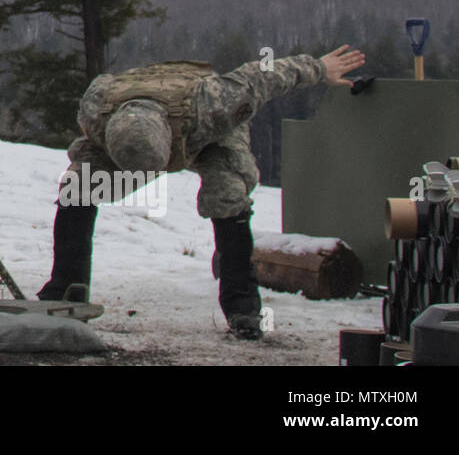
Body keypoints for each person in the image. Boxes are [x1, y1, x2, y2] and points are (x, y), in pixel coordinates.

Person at [36, 45, 366, 340]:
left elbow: (263, 75)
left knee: (227, 192)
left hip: (206, 131)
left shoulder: (213, 103)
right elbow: (85, 150)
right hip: (130, 122)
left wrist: (320, 68)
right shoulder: (97, 111)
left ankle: (243, 307)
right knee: (78, 187)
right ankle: (66, 291)